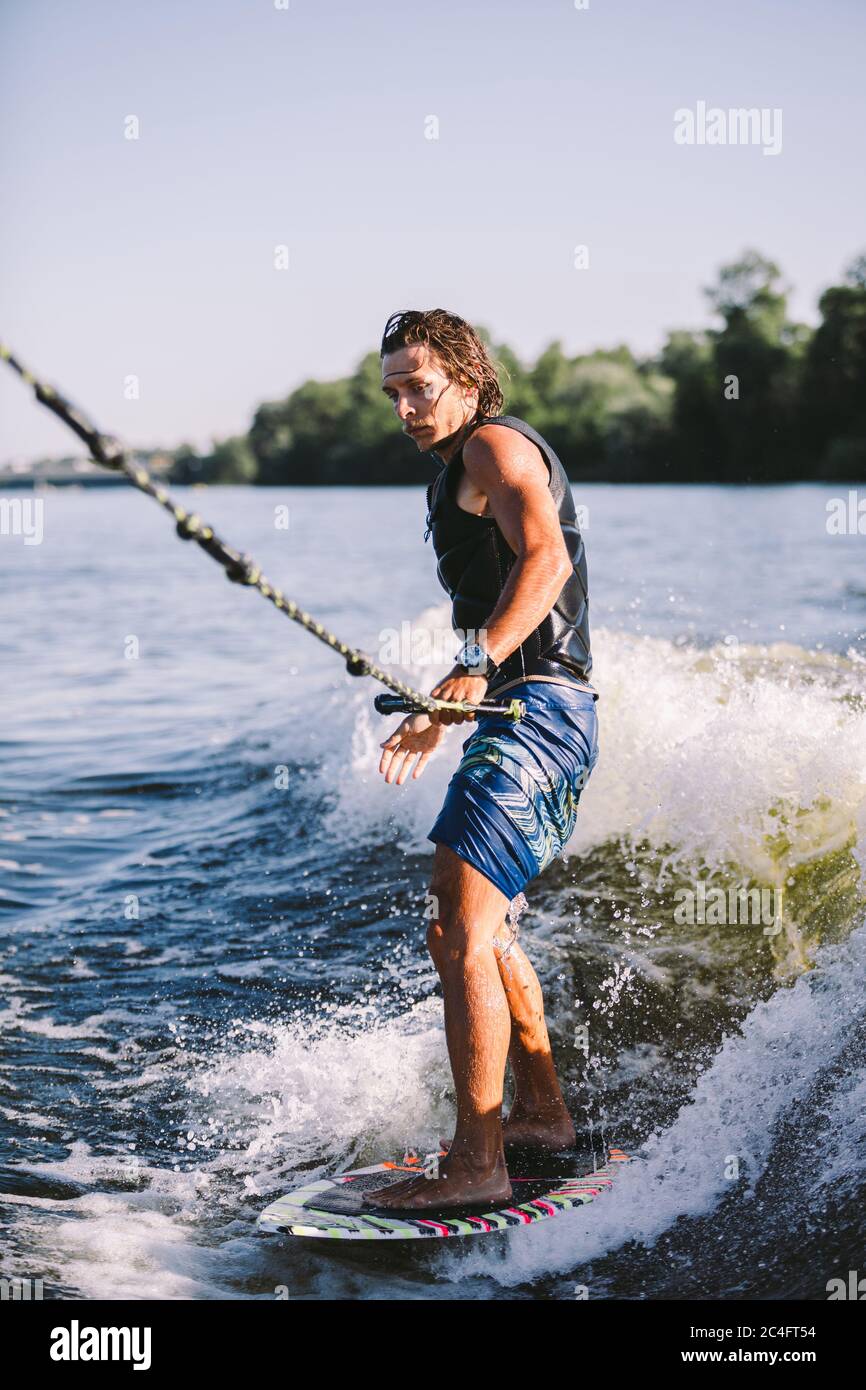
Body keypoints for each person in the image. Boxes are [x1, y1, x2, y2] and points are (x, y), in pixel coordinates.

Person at [363, 309, 598, 1213]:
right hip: (526, 712)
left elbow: (545, 565)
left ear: (467, 375)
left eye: (419, 384)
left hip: (539, 715)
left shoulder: (494, 448)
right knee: (470, 929)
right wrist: (438, 711)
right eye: (392, 393)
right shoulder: (460, 470)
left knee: (460, 932)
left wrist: (472, 663)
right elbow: (509, 601)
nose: (406, 405)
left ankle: (479, 1162)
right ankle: (542, 1119)